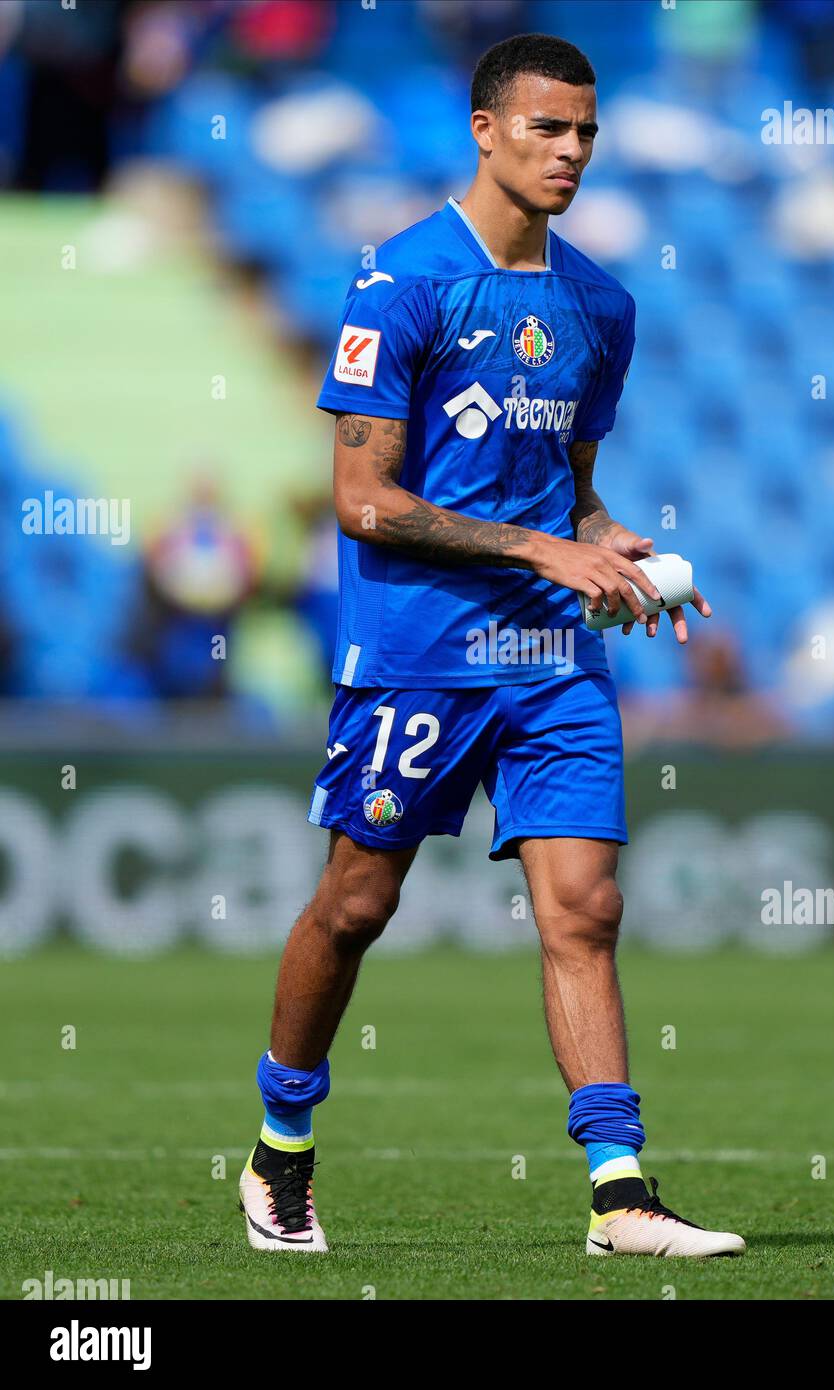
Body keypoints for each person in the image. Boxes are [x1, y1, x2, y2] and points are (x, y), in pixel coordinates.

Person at [239, 32, 745, 1260]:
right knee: (355, 904)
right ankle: (279, 1145)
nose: (570, 151)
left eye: (585, 132)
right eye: (544, 128)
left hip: (552, 658)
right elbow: (363, 500)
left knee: (586, 907)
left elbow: (572, 487)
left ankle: (619, 1193)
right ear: (483, 130)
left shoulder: (601, 305)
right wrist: (539, 549)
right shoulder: (400, 282)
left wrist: (602, 540)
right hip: (419, 653)